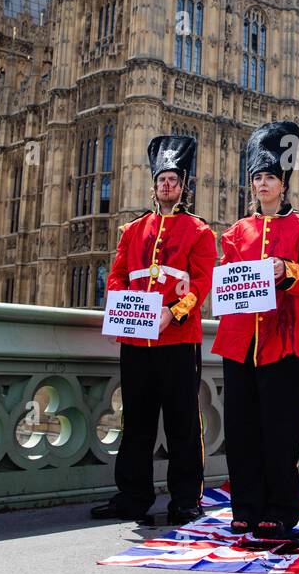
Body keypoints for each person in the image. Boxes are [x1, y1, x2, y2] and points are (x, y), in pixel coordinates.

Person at [212, 121, 299, 537]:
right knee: (241, 429)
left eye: (270, 178)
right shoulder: (235, 233)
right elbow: (227, 283)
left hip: (283, 341)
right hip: (238, 342)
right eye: (258, 178)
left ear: (283, 184)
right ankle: (245, 506)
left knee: (279, 431)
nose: (263, 184)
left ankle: (281, 508)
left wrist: (288, 270)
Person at [92, 135, 218, 522]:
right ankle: (133, 496)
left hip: (177, 339)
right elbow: (116, 276)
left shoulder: (199, 231)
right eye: (162, 179)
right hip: (135, 339)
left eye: (173, 180)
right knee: (136, 422)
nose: (167, 185)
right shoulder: (132, 231)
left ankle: (185, 499)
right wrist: (121, 306)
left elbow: (201, 284)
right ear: (154, 184)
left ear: (184, 186)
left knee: (182, 422)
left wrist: (173, 313)